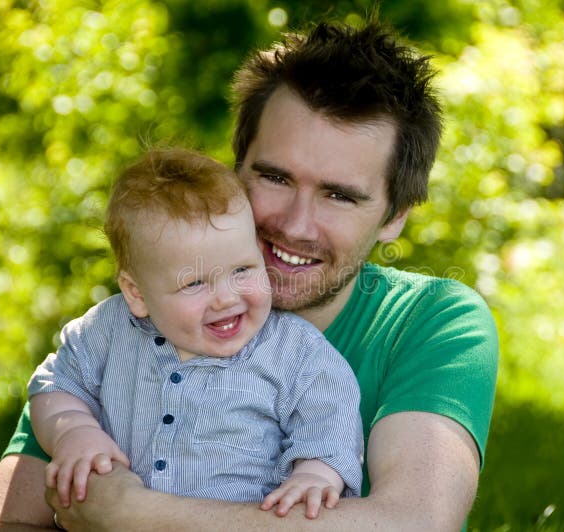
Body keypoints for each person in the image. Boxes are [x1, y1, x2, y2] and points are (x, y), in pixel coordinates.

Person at [0, 17, 498, 532]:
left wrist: (137, 519)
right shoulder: (140, 323)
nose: (294, 224)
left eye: (339, 195)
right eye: (274, 177)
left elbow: (415, 522)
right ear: (235, 168)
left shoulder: (430, 322)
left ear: (395, 213)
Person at [26, 148, 363, 519]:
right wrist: (73, 432)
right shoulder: (107, 331)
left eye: (242, 270)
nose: (225, 298)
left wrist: (316, 473)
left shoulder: (294, 351)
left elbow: (331, 419)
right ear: (137, 293)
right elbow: (54, 386)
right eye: (195, 282)